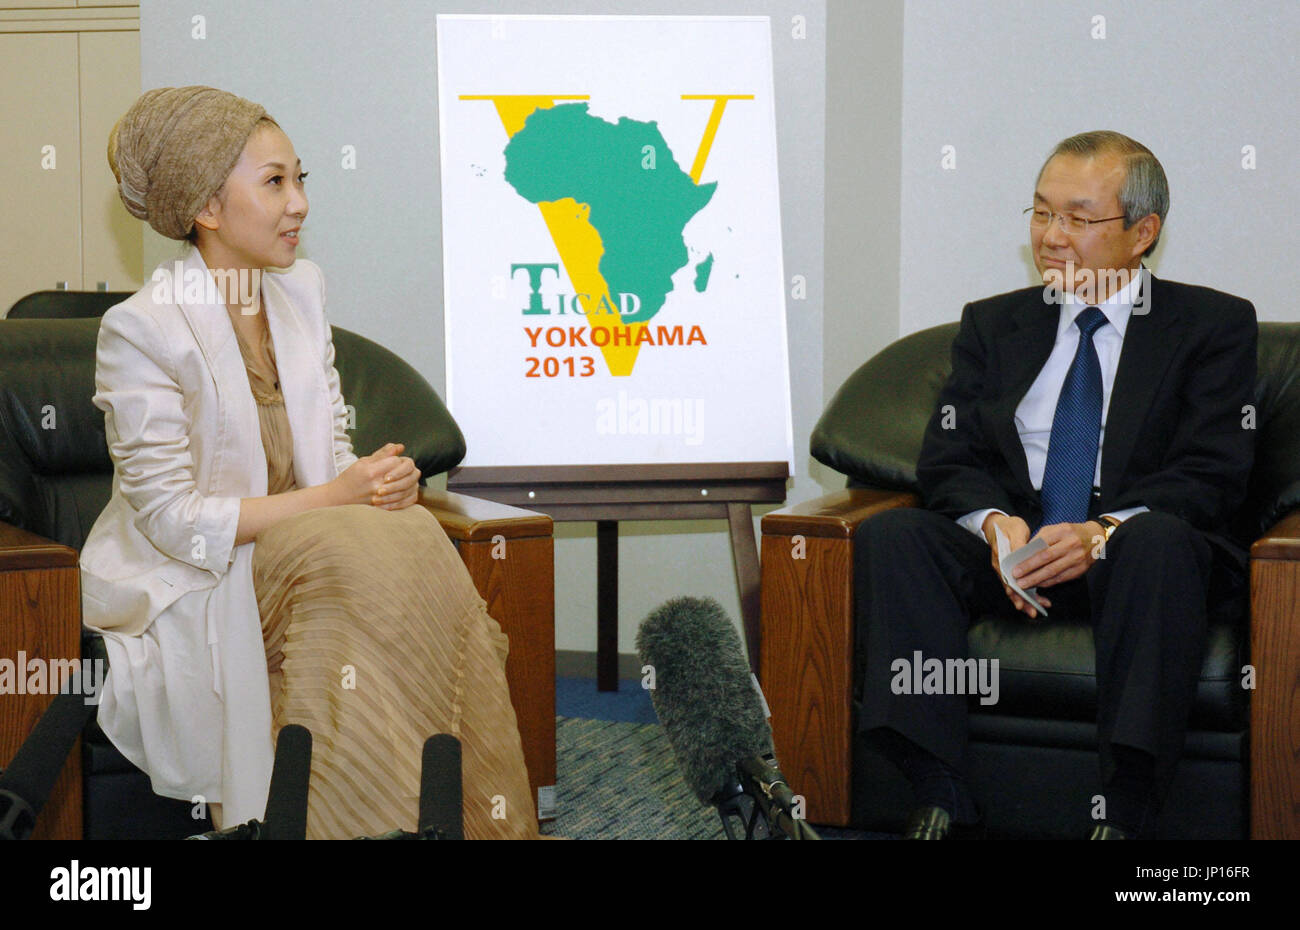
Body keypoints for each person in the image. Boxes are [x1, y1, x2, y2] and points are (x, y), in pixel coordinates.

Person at [79, 86, 538, 839]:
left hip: (311, 545)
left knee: (413, 533)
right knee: (352, 557)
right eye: (274, 182)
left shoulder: (301, 291)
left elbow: (328, 458)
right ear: (207, 208)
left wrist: (373, 481)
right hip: (196, 572)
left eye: (302, 179)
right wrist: (338, 498)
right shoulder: (141, 330)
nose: (299, 204)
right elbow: (175, 524)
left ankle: (470, 823)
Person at [853, 130, 1257, 839]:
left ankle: (1125, 810)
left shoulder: (1212, 326)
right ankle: (939, 791)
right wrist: (995, 525)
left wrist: (1100, 533)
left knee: (1157, 541)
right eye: (1041, 214)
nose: (1052, 237)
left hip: (1136, 551)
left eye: (1077, 218)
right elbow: (948, 458)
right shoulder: (993, 324)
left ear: (1143, 233)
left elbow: (1212, 472)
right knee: (895, 536)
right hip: (1016, 543)